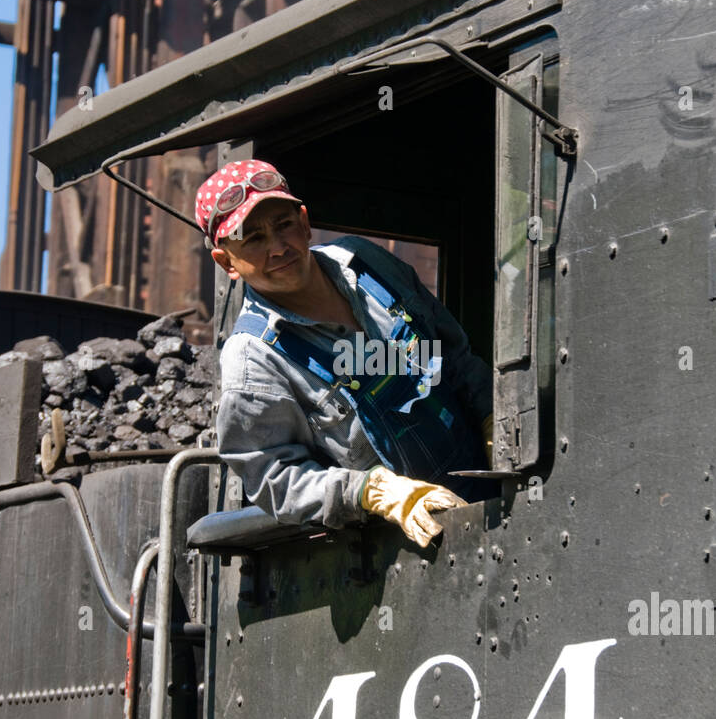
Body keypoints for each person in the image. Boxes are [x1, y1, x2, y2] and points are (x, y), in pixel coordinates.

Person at [196, 158, 495, 550]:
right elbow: (274, 479)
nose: (278, 247)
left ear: (304, 222)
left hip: (490, 492)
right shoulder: (252, 358)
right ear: (226, 263)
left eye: (284, 225)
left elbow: (450, 352)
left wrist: (492, 416)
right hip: (409, 547)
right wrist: (370, 491)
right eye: (253, 238)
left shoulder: (366, 264)